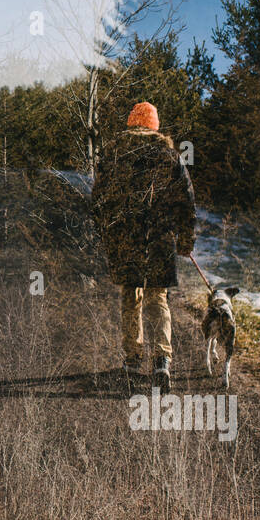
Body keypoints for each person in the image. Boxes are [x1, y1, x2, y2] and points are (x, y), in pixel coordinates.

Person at [91, 101, 195, 392]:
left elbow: (98, 199)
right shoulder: (170, 156)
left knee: (130, 297)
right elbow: (186, 202)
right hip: (159, 239)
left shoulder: (113, 155)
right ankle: (162, 359)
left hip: (126, 237)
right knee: (157, 299)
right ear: (154, 126)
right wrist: (185, 239)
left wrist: (107, 233)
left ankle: (132, 357)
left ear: (131, 124)